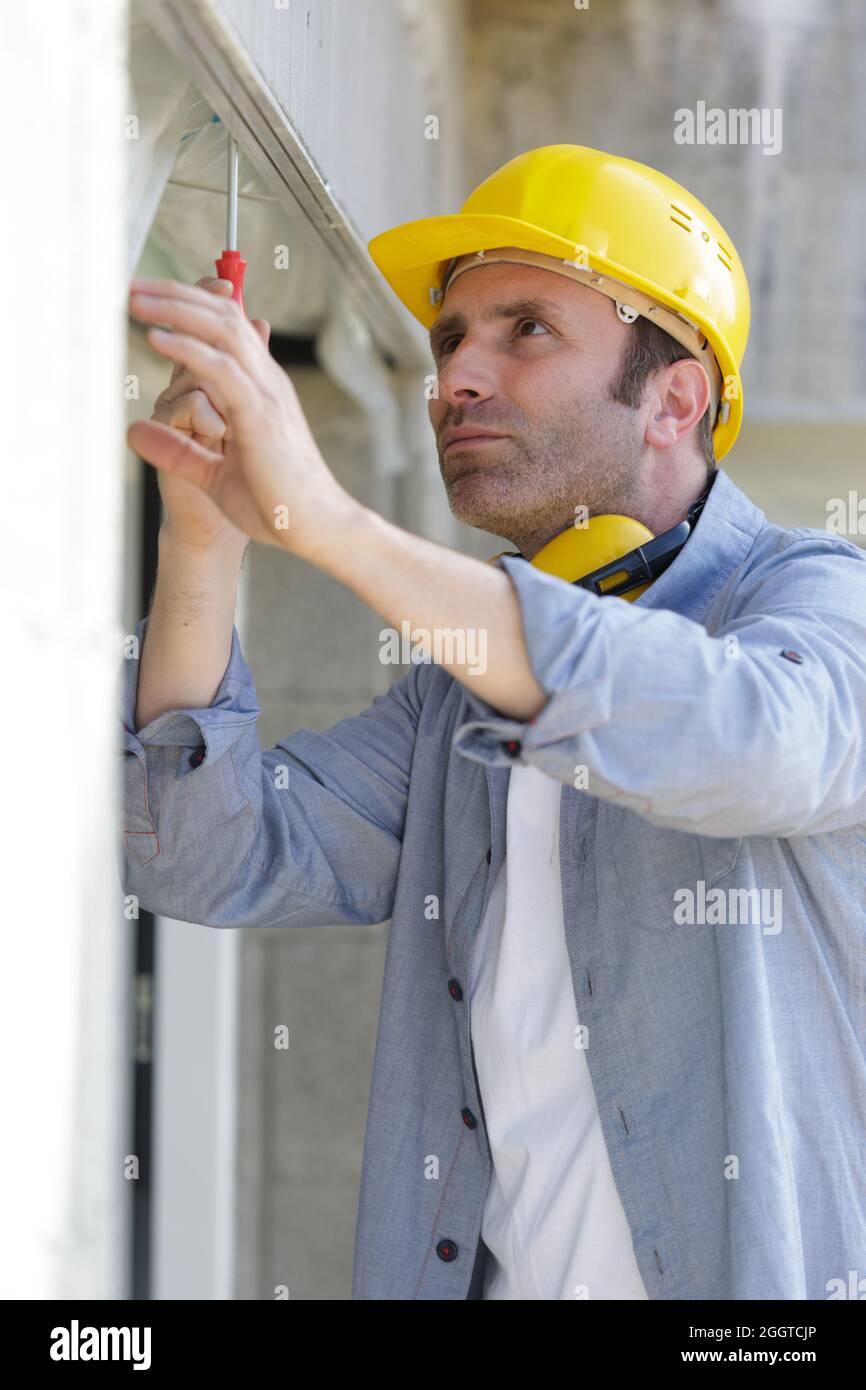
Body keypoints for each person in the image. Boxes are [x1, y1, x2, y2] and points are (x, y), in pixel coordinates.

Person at [121, 145, 866, 1300]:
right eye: (448, 338)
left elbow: (753, 741)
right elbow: (208, 859)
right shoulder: (455, 693)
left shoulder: (816, 600)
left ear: (675, 398)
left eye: (524, 329)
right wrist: (203, 537)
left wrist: (323, 519)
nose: (456, 374)